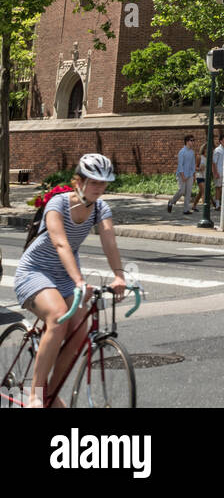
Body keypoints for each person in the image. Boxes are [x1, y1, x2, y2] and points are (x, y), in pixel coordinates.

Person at [13, 153, 126, 408]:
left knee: (78, 333)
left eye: (103, 183)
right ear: (79, 180)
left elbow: (109, 240)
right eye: (94, 182)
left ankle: (50, 397)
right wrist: (79, 280)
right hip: (35, 271)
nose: (99, 188)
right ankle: (35, 396)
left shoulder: (100, 208)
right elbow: (61, 243)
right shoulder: (58, 204)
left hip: (64, 276)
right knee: (58, 316)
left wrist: (119, 275)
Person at [167, 134, 196, 215]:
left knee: (188, 192)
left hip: (189, 175)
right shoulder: (181, 152)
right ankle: (171, 202)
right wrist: (183, 176)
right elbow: (180, 165)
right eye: (191, 140)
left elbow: (193, 165)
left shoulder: (192, 152)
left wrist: (194, 175)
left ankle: (186, 210)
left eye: (194, 140)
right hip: (181, 175)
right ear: (187, 142)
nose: (193, 142)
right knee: (181, 191)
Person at [191, 142, 207, 210]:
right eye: (206, 149)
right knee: (204, 191)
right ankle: (205, 208)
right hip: (199, 176)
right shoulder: (199, 157)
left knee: (200, 193)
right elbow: (195, 167)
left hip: (205, 176)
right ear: (203, 149)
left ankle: (194, 206)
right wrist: (200, 169)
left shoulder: (208, 158)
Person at [212, 133, 224, 212]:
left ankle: (221, 203)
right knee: (218, 188)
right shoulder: (217, 150)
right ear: (220, 141)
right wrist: (215, 173)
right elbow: (214, 162)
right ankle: (217, 205)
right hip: (219, 171)